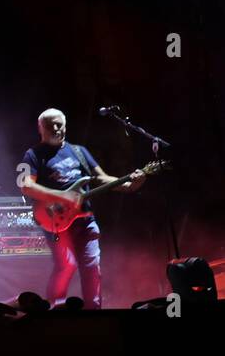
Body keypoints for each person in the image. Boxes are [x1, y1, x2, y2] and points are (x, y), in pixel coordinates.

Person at [18, 108, 144, 309]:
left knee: (92, 266)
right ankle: (51, 310)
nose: (57, 128)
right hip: (55, 221)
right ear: (40, 128)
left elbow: (100, 178)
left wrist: (129, 183)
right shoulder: (32, 155)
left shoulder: (79, 151)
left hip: (85, 219)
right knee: (67, 266)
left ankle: (93, 312)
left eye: (60, 124)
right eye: (51, 125)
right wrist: (62, 196)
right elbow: (24, 185)